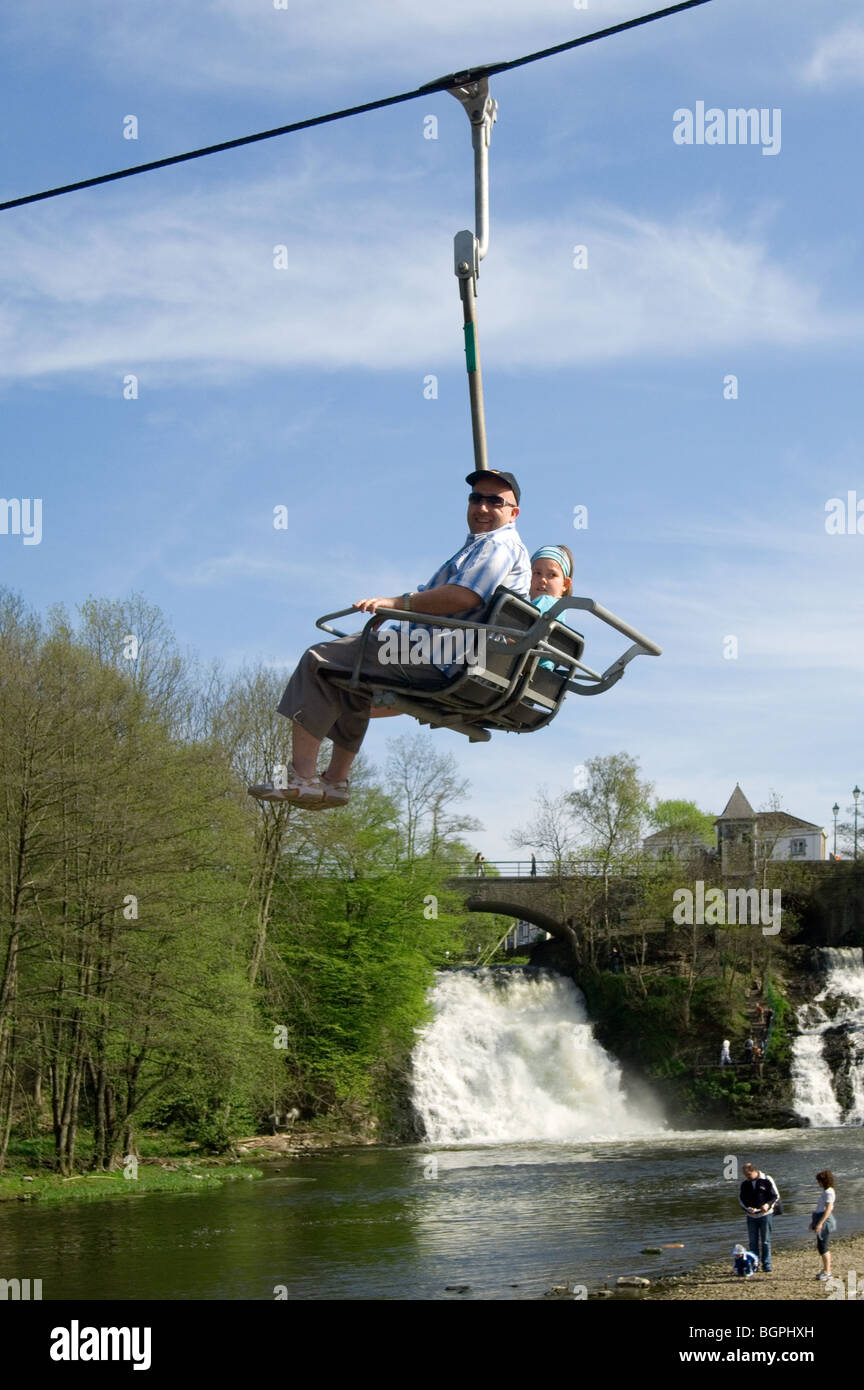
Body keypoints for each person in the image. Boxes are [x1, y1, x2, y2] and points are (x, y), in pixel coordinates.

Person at [249, 471, 530, 809]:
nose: (482, 507)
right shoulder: (487, 547)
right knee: (351, 679)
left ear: (513, 512)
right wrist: (401, 612)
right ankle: (335, 781)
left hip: (439, 655)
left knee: (318, 660)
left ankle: (301, 777)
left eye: (494, 501)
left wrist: (398, 605)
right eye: (476, 498)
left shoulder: (498, 545)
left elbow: (463, 597)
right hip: (444, 653)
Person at [528, 544, 574, 670]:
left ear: (565, 584)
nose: (543, 579)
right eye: (537, 573)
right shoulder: (560, 611)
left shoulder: (545, 602)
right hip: (542, 673)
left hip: (523, 665)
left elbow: (519, 636)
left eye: (552, 575)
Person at [739, 1162, 780, 1273]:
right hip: (751, 1216)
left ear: (754, 1171)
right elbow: (741, 1200)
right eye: (745, 1175)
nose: (747, 1177)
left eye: (748, 1175)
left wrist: (767, 1205)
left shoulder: (766, 1179)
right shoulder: (745, 1184)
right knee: (753, 1242)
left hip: (765, 1215)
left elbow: (775, 1195)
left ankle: (766, 1264)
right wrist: (748, 1209)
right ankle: (754, 1264)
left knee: (765, 1241)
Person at [810, 1169, 837, 1282]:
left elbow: (828, 1209)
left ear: (824, 1181)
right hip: (820, 1219)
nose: (818, 1183)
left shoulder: (829, 1192)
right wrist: (813, 1223)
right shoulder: (826, 1191)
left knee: (823, 1246)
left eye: (819, 1181)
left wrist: (820, 1223)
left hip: (824, 1221)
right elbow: (820, 1208)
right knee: (821, 1246)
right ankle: (826, 1270)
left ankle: (828, 1272)